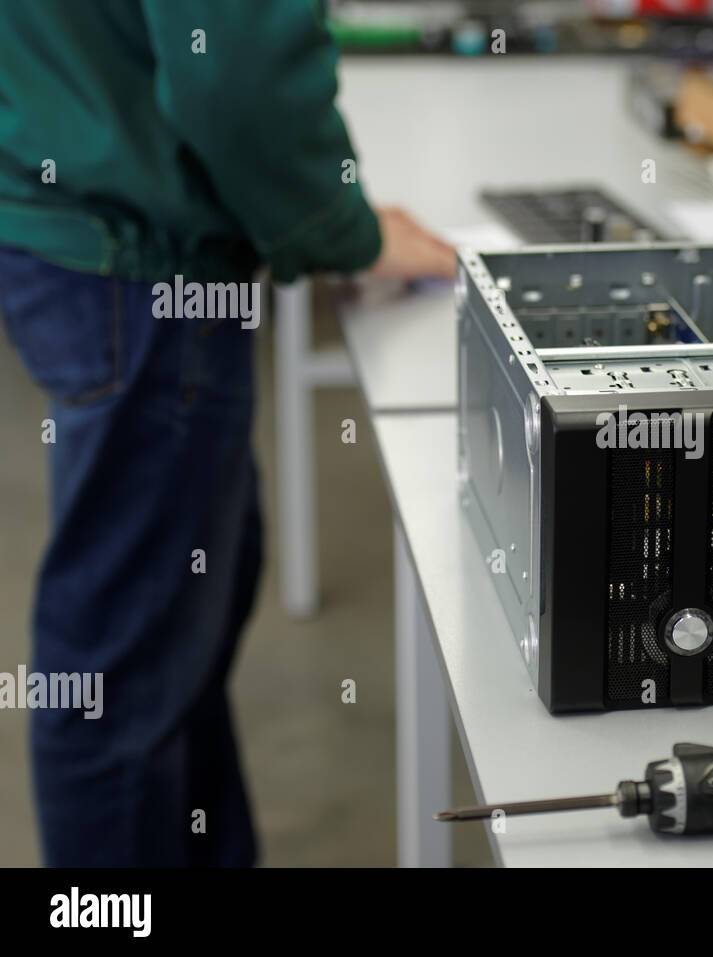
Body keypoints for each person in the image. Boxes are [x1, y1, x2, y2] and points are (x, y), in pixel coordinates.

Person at [0, 1, 453, 866]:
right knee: (123, 670)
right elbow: (235, 76)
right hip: (138, 256)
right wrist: (340, 230)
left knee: (178, 606)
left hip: (75, 198)